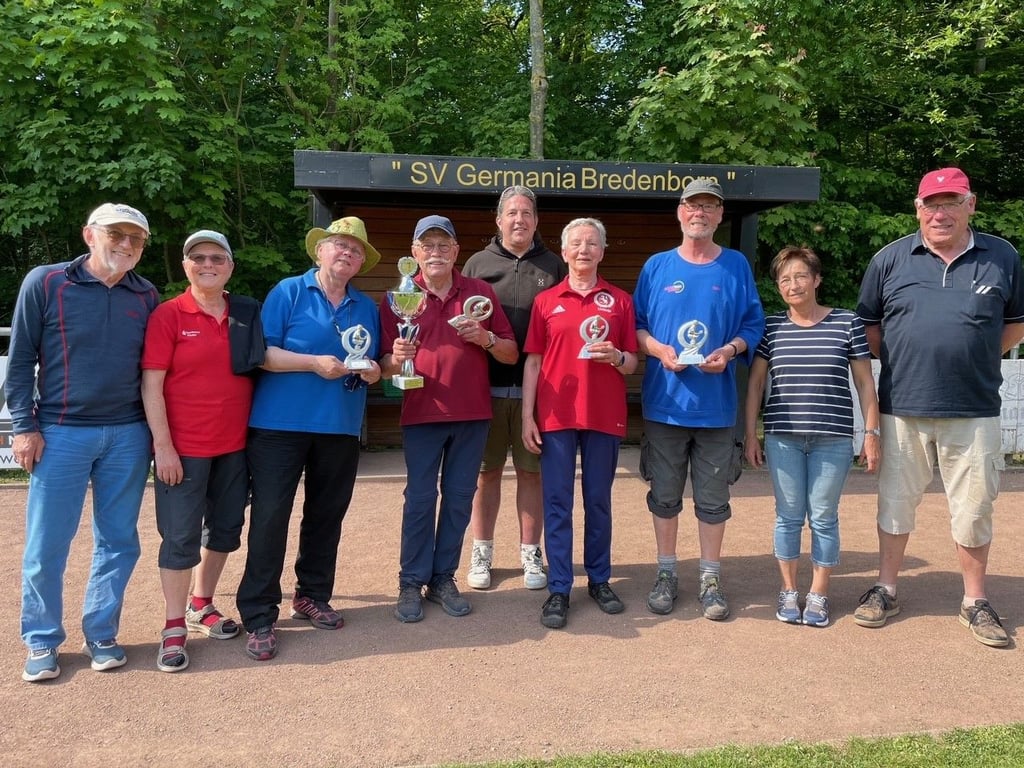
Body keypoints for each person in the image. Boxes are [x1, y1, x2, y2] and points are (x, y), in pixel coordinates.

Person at [855, 168, 1024, 647]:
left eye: (951, 202)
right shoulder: (890, 259)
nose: (940, 212)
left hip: (974, 408)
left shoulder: (1002, 256)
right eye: (931, 203)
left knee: (973, 509)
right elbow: (870, 329)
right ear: (917, 209)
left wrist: (973, 353)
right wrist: (912, 359)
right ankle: (886, 589)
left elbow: (1015, 324)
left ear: (971, 205)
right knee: (895, 504)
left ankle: (975, 601)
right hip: (901, 407)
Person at [8, 203, 159, 682]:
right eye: (117, 234)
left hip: (129, 434)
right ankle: (42, 640)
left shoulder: (146, 294)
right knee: (46, 544)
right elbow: (20, 358)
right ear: (89, 235)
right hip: (60, 433)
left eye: (136, 239)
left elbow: (152, 372)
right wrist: (23, 425)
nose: (127, 245)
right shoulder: (47, 281)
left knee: (118, 542)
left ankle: (101, 633)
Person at [237, 216, 382, 661]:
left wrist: (374, 371)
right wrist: (314, 362)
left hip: (338, 426)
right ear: (320, 251)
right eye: (339, 245)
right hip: (279, 425)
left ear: (361, 263)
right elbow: (264, 355)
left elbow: (368, 361)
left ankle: (312, 594)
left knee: (326, 517)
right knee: (270, 518)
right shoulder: (289, 291)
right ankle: (260, 613)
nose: (346, 253)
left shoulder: (366, 307)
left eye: (355, 250)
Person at [633, 178, 765, 621]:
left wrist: (729, 351)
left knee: (713, 500)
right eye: (693, 206)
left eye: (709, 207)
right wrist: (658, 350)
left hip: (717, 407)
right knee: (665, 496)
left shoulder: (736, 266)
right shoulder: (655, 266)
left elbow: (753, 327)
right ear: (680, 212)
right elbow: (638, 326)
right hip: (665, 403)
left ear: (720, 215)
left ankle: (710, 577)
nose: (700, 214)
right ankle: (667, 573)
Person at [380, 215, 517, 623]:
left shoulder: (479, 293)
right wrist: (395, 360)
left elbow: (511, 352)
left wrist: (487, 339)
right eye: (428, 245)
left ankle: (443, 578)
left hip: (472, 414)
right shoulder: (399, 296)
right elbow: (382, 364)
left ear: (456, 252)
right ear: (414, 252)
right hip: (421, 415)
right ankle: (410, 581)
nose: (436, 252)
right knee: (420, 500)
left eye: (444, 245)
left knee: (458, 500)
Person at [142, 230, 264, 672]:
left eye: (217, 257)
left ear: (230, 266)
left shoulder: (246, 313)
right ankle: (174, 625)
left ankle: (200, 604)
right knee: (179, 539)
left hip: (235, 448)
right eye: (198, 257)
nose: (207, 264)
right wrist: (164, 447)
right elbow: (151, 384)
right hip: (184, 450)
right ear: (185, 264)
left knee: (226, 530)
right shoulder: (168, 315)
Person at [744, 246, 880, 628]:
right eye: (785, 279)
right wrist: (750, 434)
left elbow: (866, 384)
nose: (793, 284)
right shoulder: (771, 328)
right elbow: (755, 385)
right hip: (782, 437)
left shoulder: (847, 323)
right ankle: (789, 591)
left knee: (823, 517)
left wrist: (871, 433)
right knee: (787, 517)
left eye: (801, 276)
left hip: (833, 438)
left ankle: (818, 593)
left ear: (817, 279)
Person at [522, 218, 638, 628]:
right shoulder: (546, 301)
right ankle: (558, 587)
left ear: (602, 252)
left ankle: (600, 579)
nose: (584, 249)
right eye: (576, 243)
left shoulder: (620, 300)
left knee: (598, 501)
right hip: (555, 415)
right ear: (564, 251)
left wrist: (619, 359)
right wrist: (526, 417)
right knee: (557, 502)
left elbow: (632, 360)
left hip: (604, 413)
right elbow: (533, 361)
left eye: (592, 243)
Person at [462, 186, 567, 591]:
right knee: (486, 476)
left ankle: (530, 554)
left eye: (526, 213)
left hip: (537, 394)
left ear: (536, 221)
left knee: (531, 475)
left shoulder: (554, 265)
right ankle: (482, 553)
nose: (519, 220)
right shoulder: (476, 264)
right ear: (499, 220)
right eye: (511, 213)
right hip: (483, 390)